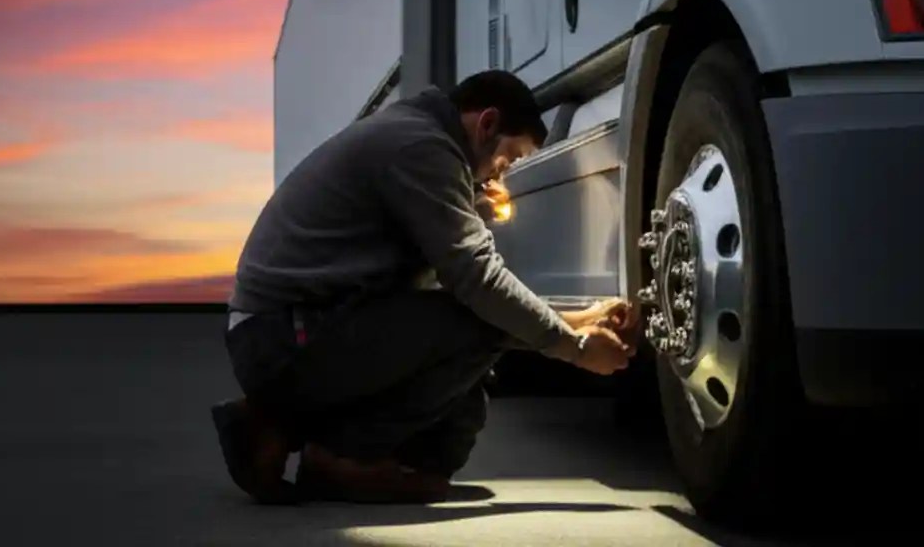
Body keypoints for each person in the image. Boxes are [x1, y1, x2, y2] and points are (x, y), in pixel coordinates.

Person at [211, 70, 641, 505]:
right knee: (474, 328)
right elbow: (476, 284)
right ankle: (338, 456)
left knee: (461, 404)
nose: (501, 175)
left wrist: (579, 320)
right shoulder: (421, 147)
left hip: (298, 329)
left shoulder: (416, 137)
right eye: (506, 160)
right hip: (280, 337)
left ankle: (278, 426)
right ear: (486, 124)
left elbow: (433, 299)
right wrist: (576, 349)